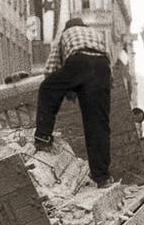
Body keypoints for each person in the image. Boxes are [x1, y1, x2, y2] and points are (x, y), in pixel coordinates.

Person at [35, 17, 113, 188]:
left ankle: (42, 138)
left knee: (47, 89)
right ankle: (102, 177)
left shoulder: (66, 35)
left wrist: (64, 88)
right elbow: (108, 63)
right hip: (102, 69)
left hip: (79, 61)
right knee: (97, 124)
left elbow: (51, 69)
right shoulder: (96, 34)